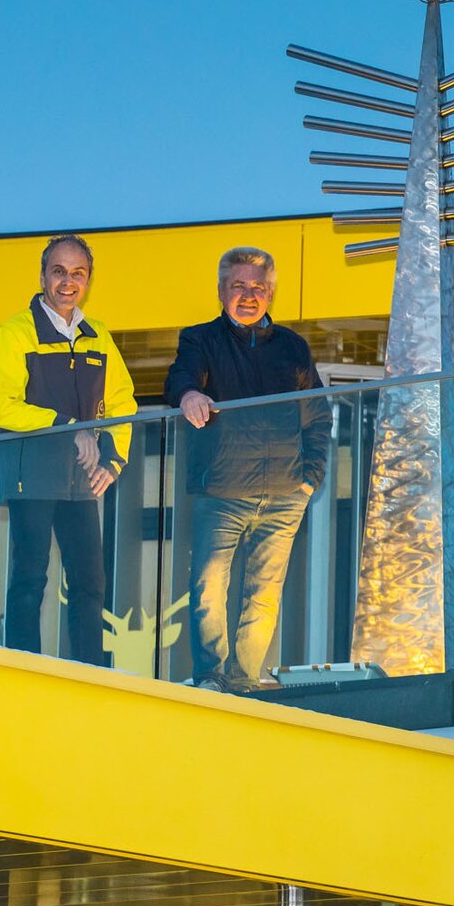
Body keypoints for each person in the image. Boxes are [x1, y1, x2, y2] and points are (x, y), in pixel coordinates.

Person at [165, 246, 331, 692]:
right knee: (207, 589)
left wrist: (309, 478)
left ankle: (244, 678)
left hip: (284, 494)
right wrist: (189, 396)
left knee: (264, 593)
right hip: (221, 491)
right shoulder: (200, 340)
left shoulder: (293, 347)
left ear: (271, 294)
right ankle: (211, 678)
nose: (249, 295)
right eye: (239, 286)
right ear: (221, 291)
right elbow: (180, 376)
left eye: (258, 287)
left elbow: (317, 415)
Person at [0, 234, 135, 666]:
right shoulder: (14, 333)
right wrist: (68, 427)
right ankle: (25, 671)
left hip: (81, 482)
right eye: (59, 271)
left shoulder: (98, 336)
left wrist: (115, 459)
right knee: (30, 580)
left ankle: (90, 674)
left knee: (90, 583)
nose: (67, 282)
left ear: (87, 280)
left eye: (78, 273)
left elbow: (123, 402)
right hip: (30, 476)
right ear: (43, 276)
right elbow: (4, 407)